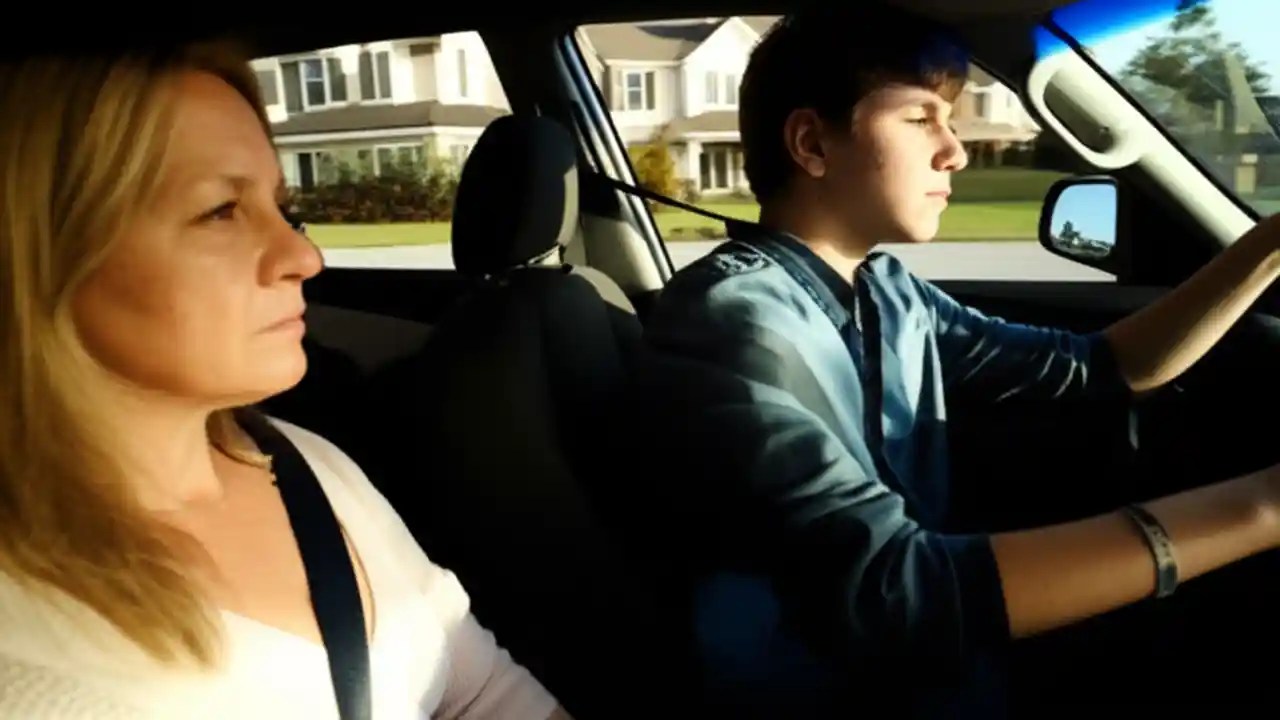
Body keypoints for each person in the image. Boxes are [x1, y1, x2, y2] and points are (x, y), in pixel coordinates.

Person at [631, 4, 1280, 717]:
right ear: (812, 144)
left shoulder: (888, 291)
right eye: (920, 119)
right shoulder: (732, 320)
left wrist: (1267, 246)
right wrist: (1262, 509)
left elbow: (1097, 368)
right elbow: (895, 593)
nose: (957, 151)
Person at [0, 37, 571, 720]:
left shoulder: (305, 463)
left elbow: (479, 690)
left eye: (283, 210)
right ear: (40, 252)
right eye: (220, 211)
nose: (303, 254)